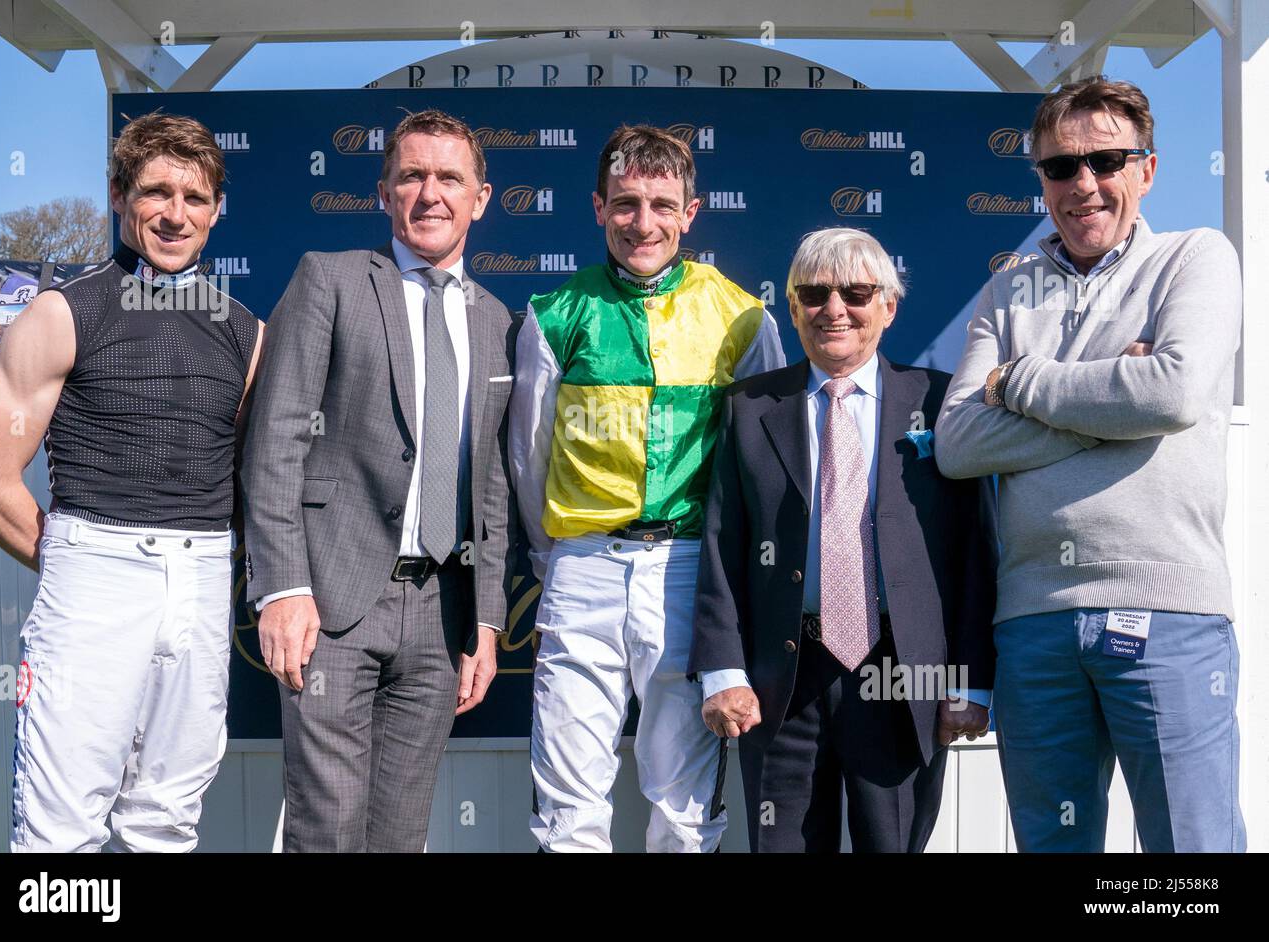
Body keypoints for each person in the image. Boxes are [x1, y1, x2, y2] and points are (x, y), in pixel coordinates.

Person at [934, 76, 1245, 852]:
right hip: (1034, 622)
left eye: (1107, 160)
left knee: (1192, 855)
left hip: (1168, 614)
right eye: (1060, 167)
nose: (1084, 185)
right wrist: (1113, 405)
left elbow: (1169, 396)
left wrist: (1022, 381)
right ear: (1039, 175)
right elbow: (961, 443)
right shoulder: (1008, 289)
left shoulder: (1195, 259)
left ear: (1147, 168)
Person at [0, 112, 262, 851]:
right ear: (117, 195)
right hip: (92, 574)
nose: (175, 214)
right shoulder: (60, 314)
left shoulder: (244, 330)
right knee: (58, 831)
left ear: (217, 210)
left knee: (165, 823)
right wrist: (77, 563)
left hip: (200, 580)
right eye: (156, 193)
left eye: (195, 199)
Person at [241, 109, 517, 852]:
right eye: (412, 176)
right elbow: (274, 443)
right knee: (326, 830)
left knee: (399, 836)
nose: (431, 193)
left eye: (449, 178)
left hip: (439, 615)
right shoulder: (329, 280)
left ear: (480, 197)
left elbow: (490, 490)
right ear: (384, 192)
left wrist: (487, 621)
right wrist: (283, 587)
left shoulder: (498, 322)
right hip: (331, 605)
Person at [510, 124, 785, 852]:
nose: (644, 223)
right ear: (598, 207)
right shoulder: (553, 312)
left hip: (690, 571)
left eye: (663, 205)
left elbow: (768, 460)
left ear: (691, 214)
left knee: (686, 805)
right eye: (626, 203)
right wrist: (560, 559)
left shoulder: (742, 315)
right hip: (582, 565)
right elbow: (528, 456)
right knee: (569, 805)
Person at [691, 228, 996, 852]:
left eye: (857, 292)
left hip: (903, 676)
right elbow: (724, 541)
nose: (835, 309)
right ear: (793, 307)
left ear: (888, 305)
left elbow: (973, 552)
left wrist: (969, 681)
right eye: (814, 293)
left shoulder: (939, 404)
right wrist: (722, 669)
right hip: (781, 681)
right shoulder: (748, 408)